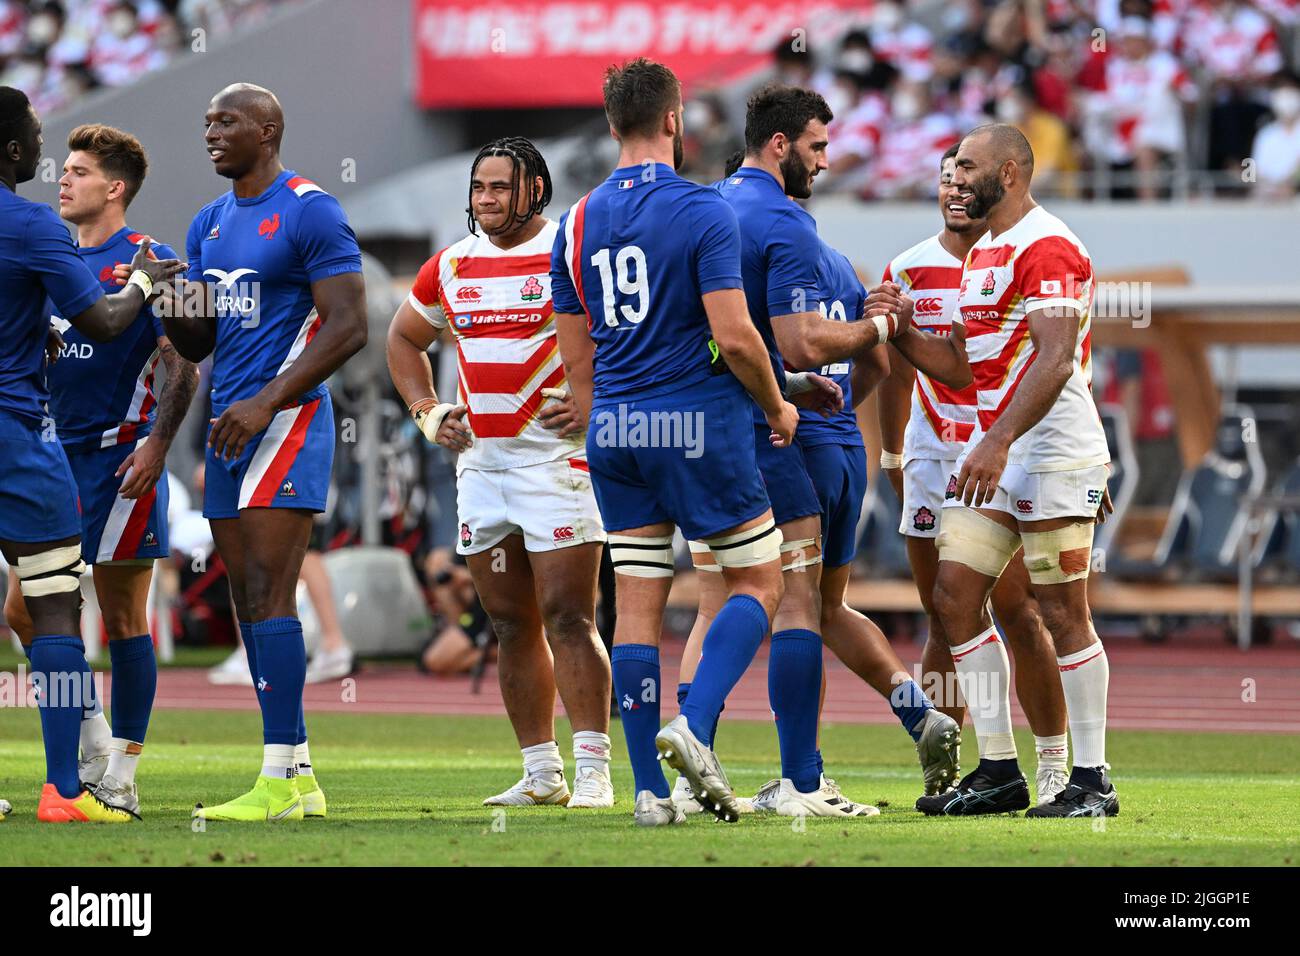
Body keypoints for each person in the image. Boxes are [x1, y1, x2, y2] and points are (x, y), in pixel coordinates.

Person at [551, 58, 799, 826]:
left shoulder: (576, 221)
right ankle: (692, 729)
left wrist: (603, 424)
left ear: (609, 121)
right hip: (694, 421)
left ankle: (650, 798)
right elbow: (737, 335)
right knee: (761, 582)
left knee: (634, 610)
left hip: (616, 429)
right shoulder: (701, 210)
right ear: (673, 120)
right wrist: (778, 404)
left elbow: (575, 361)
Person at [871, 124, 1117, 818]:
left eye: (969, 169)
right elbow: (960, 363)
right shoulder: (985, 253)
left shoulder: (1048, 245)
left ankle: (1092, 779)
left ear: (1009, 173)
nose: (956, 181)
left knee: (1062, 612)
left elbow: (1057, 355)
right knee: (952, 599)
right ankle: (1001, 769)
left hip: (1052, 454)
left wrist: (998, 438)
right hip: (1000, 456)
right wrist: (898, 331)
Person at [706, 85, 931, 817]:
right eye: (818, 148)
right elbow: (877, 367)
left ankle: (773, 772)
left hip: (767, 436)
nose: (826, 163)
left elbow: (790, 344)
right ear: (781, 146)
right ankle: (916, 709)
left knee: (748, 599)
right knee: (827, 606)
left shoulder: (713, 219)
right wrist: (875, 336)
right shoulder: (831, 259)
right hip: (838, 456)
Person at [387, 136, 615, 809]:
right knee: (511, 624)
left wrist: (590, 400)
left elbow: (625, 332)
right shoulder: (450, 264)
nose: (485, 200)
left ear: (535, 190)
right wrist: (428, 410)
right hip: (480, 469)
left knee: (570, 616)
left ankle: (595, 771)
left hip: (558, 463)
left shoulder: (569, 251)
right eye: (478, 188)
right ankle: (541, 773)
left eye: (499, 188)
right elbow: (403, 339)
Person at [162, 83, 368, 822]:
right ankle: (298, 773)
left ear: (269, 128)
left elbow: (349, 326)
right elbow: (201, 345)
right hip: (227, 428)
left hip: (284, 423)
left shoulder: (312, 208)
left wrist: (266, 402)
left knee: (270, 594)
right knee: (247, 599)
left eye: (228, 120)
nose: (212, 131)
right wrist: (173, 303)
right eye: (207, 120)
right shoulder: (208, 224)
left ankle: (278, 780)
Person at [3, 122, 199, 818]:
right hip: (45, 451)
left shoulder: (155, 256)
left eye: (79, 171)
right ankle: (86, 748)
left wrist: (157, 446)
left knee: (122, 616)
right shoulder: (44, 250)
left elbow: (185, 364)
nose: (63, 179)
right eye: (63, 169)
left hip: (120, 459)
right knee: (27, 612)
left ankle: (120, 770)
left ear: (114, 188)